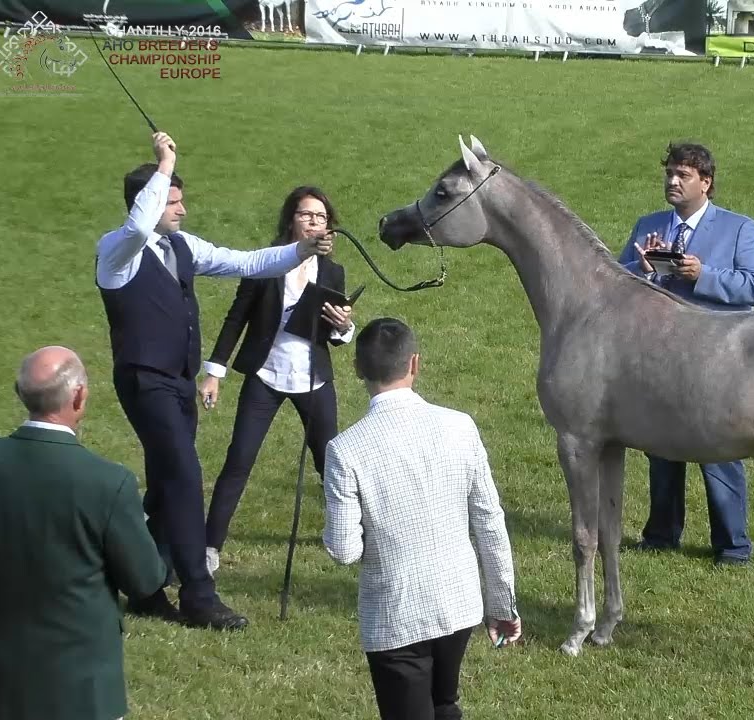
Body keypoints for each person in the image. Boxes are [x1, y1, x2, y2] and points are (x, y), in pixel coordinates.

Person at [95, 131, 332, 631]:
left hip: (178, 381)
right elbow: (139, 228)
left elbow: (246, 262)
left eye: (180, 199)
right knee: (183, 475)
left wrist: (300, 249)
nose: (181, 210)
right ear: (148, 200)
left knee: (164, 484)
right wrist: (164, 164)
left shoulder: (182, 246)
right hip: (145, 380)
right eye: (172, 201)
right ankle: (199, 596)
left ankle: (142, 585)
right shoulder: (117, 250)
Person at [323, 318, 521, 720]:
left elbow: (344, 550)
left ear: (358, 369)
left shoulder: (345, 450)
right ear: (415, 364)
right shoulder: (460, 426)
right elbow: (489, 521)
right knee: (445, 703)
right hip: (458, 605)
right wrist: (503, 603)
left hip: (396, 617)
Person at [0, 346, 167, 720]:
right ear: (79, 396)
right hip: (82, 690)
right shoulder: (109, 483)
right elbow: (145, 580)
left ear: (21, 394)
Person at [616, 142, 754, 566]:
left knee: (718, 448)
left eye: (683, 175)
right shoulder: (648, 225)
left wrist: (704, 275)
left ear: (706, 182)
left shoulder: (740, 229)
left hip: (719, 357)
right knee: (661, 444)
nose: (672, 181)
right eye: (669, 173)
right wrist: (641, 269)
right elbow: (615, 281)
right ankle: (661, 534)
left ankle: (732, 546)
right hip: (659, 354)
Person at [199, 186, 356, 576]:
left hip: (312, 379)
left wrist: (344, 327)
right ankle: (209, 546)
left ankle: (352, 534)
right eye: (307, 215)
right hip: (265, 377)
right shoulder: (266, 263)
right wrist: (214, 371)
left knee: (330, 462)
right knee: (239, 460)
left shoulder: (332, 271)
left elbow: (335, 334)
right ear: (291, 220)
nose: (315, 223)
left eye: (321, 218)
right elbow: (236, 317)